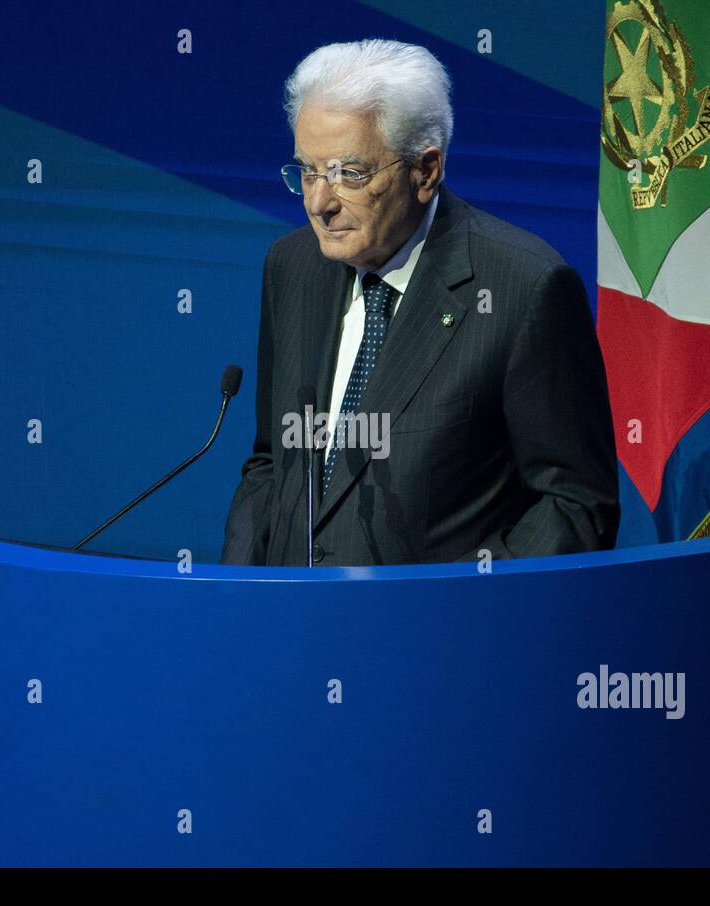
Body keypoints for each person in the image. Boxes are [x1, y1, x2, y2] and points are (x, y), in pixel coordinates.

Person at [221, 39, 618, 566]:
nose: (320, 202)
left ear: (425, 170)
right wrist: (239, 601)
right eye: (309, 171)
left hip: (438, 637)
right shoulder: (292, 266)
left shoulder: (524, 288)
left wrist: (462, 611)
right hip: (290, 627)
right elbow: (273, 462)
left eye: (349, 173)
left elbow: (575, 504)